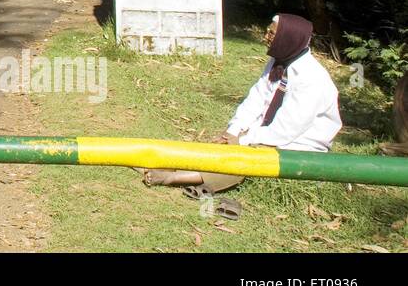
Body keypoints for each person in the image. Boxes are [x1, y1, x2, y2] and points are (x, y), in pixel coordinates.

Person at [141, 13, 342, 211]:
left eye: (271, 34)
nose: (266, 37)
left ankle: (175, 177)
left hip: (299, 146)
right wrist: (233, 131)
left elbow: (286, 130)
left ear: (286, 38)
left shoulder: (312, 80)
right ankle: (176, 164)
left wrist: (243, 140)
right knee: (225, 144)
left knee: (246, 158)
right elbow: (255, 100)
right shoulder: (279, 61)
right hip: (267, 132)